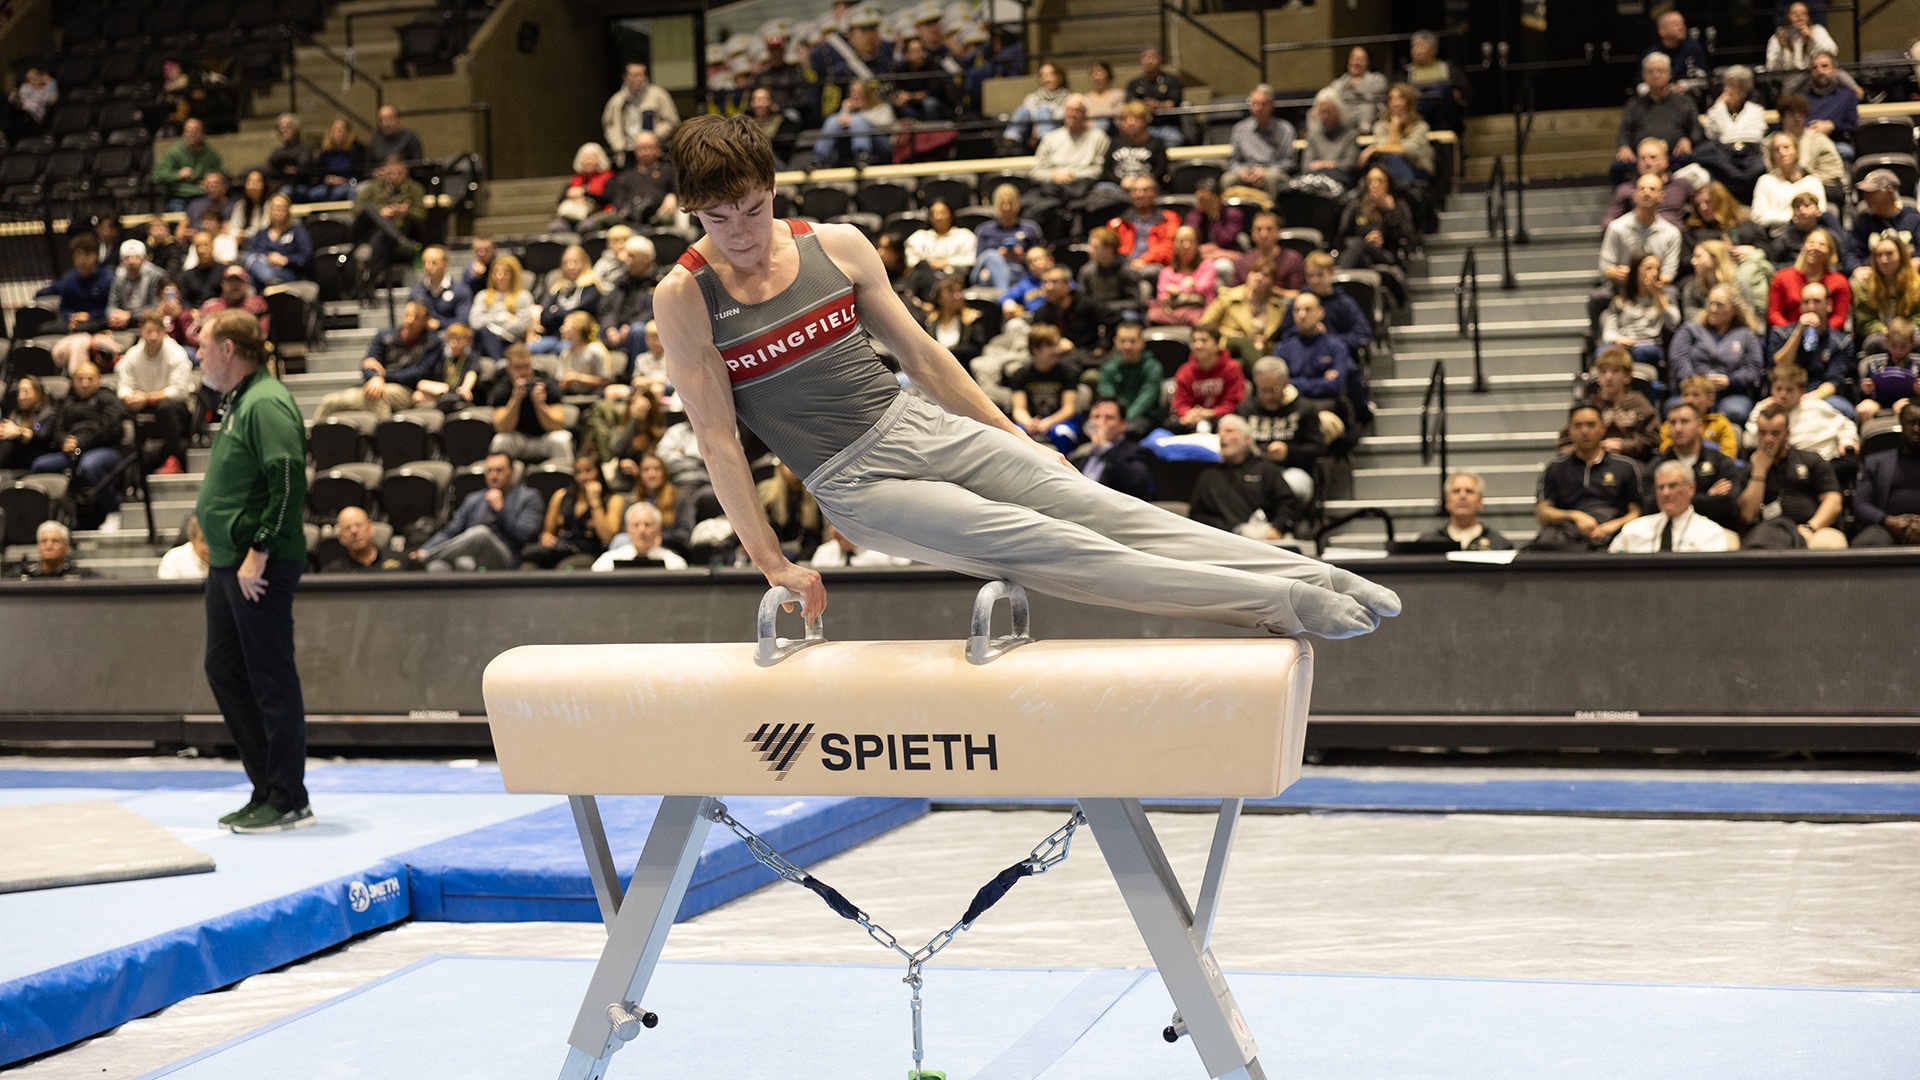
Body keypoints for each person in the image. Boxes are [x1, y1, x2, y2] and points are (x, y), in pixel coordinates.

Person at [651, 113, 1397, 637]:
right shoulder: (686, 296)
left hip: (920, 425)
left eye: (751, 208)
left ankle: (1316, 576)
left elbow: (926, 358)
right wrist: (773, 563)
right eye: (719, 219)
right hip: (856, 484)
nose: (742, 234)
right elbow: (718, 441)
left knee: (1098, 507)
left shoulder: (837, 245)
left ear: (774, 185)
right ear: (692, 212)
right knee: (1047, 542)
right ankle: (1279, 603)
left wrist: (1016, 438)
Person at [192, 310, 311, 832]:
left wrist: (260, 548)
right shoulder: (239, 401)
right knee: (224, 670)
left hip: (255, 564)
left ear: (229, 349)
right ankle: (265, 787)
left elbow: (288, 480)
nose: (197, 355)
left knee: (269, 677)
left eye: (203, 346)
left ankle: (288, 797)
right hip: (226, 565)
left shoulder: (266, 402)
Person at [1528, 404, 1644, 552]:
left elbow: (1636, 512)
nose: (1584, 431)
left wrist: (1612, 526)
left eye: (1591, 425)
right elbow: (1542, 512)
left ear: (1603, 428)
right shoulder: (1555, 467)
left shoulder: (1625, 466)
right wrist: (1575, 516)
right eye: (1578, 426)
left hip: (1613, 535)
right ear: (1569, 430)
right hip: (1566, 536)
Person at [30, 360, 128, 529]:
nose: (85, 383)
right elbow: (58, 430)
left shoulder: (108, 399)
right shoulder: (68, 403)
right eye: (80, 379)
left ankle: (113, 511)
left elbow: (110, 428)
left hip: (106, 450)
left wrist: (80, 442)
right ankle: (60, 513)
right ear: (73, 381)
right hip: (72, 452)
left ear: (98, 380)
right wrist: (64, 442)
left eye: (89, 379)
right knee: (39, 465)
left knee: (89, 466)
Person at [1737, 400, 1846, 549]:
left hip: (1809, 528)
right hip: (1765, 530)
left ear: (1787, 433)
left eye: (1775, 433)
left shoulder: (1811, 460)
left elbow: (1833, 501)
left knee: (1830, 543)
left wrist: (1811, 527)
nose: (1768, 439)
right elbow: (1748, 515)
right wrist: (1759, 472)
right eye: (1763, 433)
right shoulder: (1748, 468)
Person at [314, 301, 443, 421]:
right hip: (374, 385)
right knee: (329, 401)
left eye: (416, 317)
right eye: (407, 315)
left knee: (378, 397)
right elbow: (368, 363)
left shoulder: (432, 342)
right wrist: (376, 377)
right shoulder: (385, 336)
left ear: (425, 322)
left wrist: (383, 375)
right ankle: (311, 441)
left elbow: (420, 372)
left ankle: (384, 443)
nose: (410, 321)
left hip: (405, 390)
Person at [1188, 415, 1299, 540]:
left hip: (1264, 541)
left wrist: (1278, 528)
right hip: (1223, 542)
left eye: (1229, 431)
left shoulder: (1265, 469)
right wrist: (1230, 531)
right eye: (1219, 432)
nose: (1222, 436)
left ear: (1247, 439)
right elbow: (1197, 516)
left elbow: (1287, 503)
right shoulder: (1208, 476)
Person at [1669, 284, 1766, 424]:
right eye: (1710, 303)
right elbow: (1678, 360)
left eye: (1719, 305)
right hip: (1691, 391)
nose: (1713, 309)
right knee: (1678, 409)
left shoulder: (1746, 334)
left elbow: (1753, 369)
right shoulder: (1690, 329)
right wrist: (1696, 384)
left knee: (1735, 411)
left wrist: (1731, 380)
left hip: (1730, 393)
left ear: (1734, 309)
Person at [1237, 357, 1325, 503]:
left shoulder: (1305, 409)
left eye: (1274, 390)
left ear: (1286, 382)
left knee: (1285, 486)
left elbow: (1318, 448)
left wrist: (1289, 451)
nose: (1268, 396)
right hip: (1253, 471)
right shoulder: (1245, 409)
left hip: (1293, 470)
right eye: (1263, 390)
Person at [117, 312, 195, 473]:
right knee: (117, 408)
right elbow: (123, 386)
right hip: (142, 404)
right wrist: (129, 397)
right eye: (149, 332)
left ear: (164, 332)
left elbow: (179, 391)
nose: (153, 336)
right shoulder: (132, 355)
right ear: (141, 332)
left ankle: (173, 460)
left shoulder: (176, 353)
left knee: (166, 407)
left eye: (157, 331)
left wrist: (147, 397)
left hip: (176, 408)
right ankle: (129, 467)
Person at [1652, 398, 1746, 531]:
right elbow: (1650, 505)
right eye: (1672, 423)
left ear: (1699, 426)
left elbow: (1728, 505)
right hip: (1666, 529)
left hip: (1716, 529)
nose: (1678, 428)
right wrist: (1707, 498)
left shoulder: (1721, 461)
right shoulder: (1657, 465)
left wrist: (1676, 500)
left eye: (1684, 421)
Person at [1767, 277, 1855, 418]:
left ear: (1829, 305)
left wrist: (1811, 397)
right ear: (1800, 306)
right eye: (1806, 302)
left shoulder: (1842, 342)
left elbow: (1833, 381)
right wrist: (1798, 332)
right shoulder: (1780, 333)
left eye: (1817, 301)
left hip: (1819, 395)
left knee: (1845, 409)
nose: (1811, 307)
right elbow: (1780, 366)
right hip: (1784, 393)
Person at [522, 451, 624, 570]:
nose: (583, 477)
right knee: (528, 567)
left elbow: (607, 538)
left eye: (588, 471)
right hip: (560, 550)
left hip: (589, 554)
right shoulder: (560, 496)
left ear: (599, 472)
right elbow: (547, 531)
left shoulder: (613, 500)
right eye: (578, 472)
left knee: (565, 569)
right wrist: (547, 537)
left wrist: (595, 502)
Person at [1559, 347, 1660, 463]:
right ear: (1598, 378)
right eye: (1603, 372)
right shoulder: (1590, 407)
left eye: (1615, 371)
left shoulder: (1639, 404)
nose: (1608, 377)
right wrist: (1594, 448)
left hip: (1630, 461)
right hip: (1592, 463)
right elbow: (1565, 442)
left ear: (1627, 377)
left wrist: (1624, 445)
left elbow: (1654, 439)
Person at [1744, 362, 1859, 464]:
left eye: (1789, 390)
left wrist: (1846, 441)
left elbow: (1846, 425)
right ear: (1771, 390)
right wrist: (1759, 408)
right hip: (1786, 467)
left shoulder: (1816, 406)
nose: (1783, 395)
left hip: (1825, 462)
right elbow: (1749, 441)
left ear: (1801, 392)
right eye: (1778, 389)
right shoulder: (1764, 411)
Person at [1612, 55, 1698, 186]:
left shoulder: (1685, 102)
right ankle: (1623, 202)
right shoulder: (1633, 104)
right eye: (1650, 71)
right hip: (1642, 158)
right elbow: (1624, 131)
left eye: (1660, 70)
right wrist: (1624, 146)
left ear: (1669, 74)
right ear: (1643, 76)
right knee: (1617, 167)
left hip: (1674, 156)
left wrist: (1688, 140)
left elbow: (1696, 129)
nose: (1655, 75)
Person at [1609, 460, 1731, 552]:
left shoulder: (1709, 532)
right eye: (1660, 487)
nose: (1665, 493)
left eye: (1673, 486)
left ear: (1691, 488)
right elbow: (1610, 567)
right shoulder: (1633, 529)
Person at [351, 155, 428, 297]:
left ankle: (366, 291)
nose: (394, 177)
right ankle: (399, 240)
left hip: (393, 235)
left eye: (399, 173)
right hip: (368, 231)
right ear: (385, 172)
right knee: (369, 209)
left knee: (381, 238)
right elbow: (356, 209)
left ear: (406, 172)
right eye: (391, 173)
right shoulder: (374, 187)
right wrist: (381, 213)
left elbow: (422, 215)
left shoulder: (415, 189)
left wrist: (406, 212)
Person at [1274, 292, 1358, 421]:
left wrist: (1293, 383)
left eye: (1308, 310)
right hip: (1291, 409)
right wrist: (1321, 382)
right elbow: (1277, 386)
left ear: (1320, 312)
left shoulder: (1336, 346)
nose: (1302, 315)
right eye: (1297, 310)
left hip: (1326, 407)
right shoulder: (1282, 348)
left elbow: (1335, 386)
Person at [1280, 251, 1374, 359]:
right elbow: (1284, 336)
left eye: (1320, 275)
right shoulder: (1299, 303)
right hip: (1302, 360)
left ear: (1331, 273)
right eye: (1310, 275)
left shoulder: (1343, 303)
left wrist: (1330, 338)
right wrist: (1306, 331)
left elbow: (1363, 335)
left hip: (1336, 359)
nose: (1315, 280)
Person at [1851, 401, 1920, 547]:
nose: (1916, 429)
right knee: (1866, 544)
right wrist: (1888, 520)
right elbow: (1861, 504)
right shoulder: (1876, 462)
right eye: (1910, 422)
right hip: (1886, 526)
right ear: (1901, 423)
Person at [488, 345, 571, 463]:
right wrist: (515, 400)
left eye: (526, 366)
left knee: (561, 439)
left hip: (544, 437)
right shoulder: (502, 389)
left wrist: (539, 403)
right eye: (517, 368)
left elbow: (556, 425)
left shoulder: (548, 386)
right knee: (500, 440)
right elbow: (502, 428)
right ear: (508, 368)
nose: (523, 372)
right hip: (518, 438)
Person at [1598, 252, 1680, 369]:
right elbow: (1609, 329)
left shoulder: (1666, 298)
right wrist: (1617, 340)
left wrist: (1656, 294)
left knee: (1639, 353)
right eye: (1648, 268)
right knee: (1603, 353)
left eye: (1657, 268)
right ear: (1636, 271)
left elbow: (1673, 323)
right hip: (1623, 343)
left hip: (1648, 344)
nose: (1654, 272)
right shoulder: (1620, 300)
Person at [1697, 67, 1766, 202]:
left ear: (1744, 90)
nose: (1727, 91)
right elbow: (1710, 133)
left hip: (1748, 157)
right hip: (1723, 157)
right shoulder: (1718, 110)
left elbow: (1754, 136)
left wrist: (1727, 130)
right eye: (1726, 85)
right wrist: (1719, 107)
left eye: (1733, 86)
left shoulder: (1756, 110)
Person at [1069, 397, 1154, 500]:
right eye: (1096, 417)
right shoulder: (1083, 455)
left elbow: (1136, 485)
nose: (1100, 423)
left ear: (1122, 425)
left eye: (1108, 418)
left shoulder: (1138, 452)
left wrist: (1104, 446)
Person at [1007, 324, 1080, 444]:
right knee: (1015, 434)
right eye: (1050, 346)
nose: (1057, 350)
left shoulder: (1068, 372)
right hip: (1031, 421)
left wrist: (1048, 422)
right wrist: (1029, 423)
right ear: (1036, 349)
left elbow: (1068, 409)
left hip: (1059, 421)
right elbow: (1019, 409)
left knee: (1062, 433)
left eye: (1057, 344)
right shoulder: (1020, 374)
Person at [1851, 232, 1920, 356]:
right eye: (1879, 255)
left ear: (1901, 256)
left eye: (1889, 254)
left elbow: (1918, 316)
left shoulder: (1916, 284)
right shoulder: (1865, 286)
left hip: (1911, 333)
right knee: (1872, 343)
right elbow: (1866, 321)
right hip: (1882, 335)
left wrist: (1904, 332)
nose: (1884, 260)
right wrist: (1886, 332)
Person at [1167, 324, 1245, 433]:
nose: (1198, 345)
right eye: (1194, 341)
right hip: (1192, 420)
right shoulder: (1184, 371)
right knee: (1169, 426)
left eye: (1204, 341)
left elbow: (1233, 403)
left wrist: (1211, 413)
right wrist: (1189, 414)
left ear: (1217, 344)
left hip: (1220, 418)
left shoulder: (1231, 368)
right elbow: (1180, 403)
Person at [1680, 233, 1771, 325]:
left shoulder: (1739, 287)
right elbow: (1689, 317)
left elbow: (1749, 317)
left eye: (1698, 256)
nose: (1693, 261)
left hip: (1734, 333)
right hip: (1703, 333)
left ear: (1715, 258)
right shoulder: (1692, 287)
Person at [1602, 139, 1694, 229]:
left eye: (1653, 157)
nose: (1647, 162)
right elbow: (1608, 221)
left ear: (1665, 161)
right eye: (1642, 158)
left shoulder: (1682, 185)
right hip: (1638, 239)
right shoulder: (1625, 189)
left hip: (1675, 239)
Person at [1202, 261, 1286, 357]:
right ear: (1248, 275)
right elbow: (1204, 326)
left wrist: (1264, 344)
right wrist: (1232, 334)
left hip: (1261, 353)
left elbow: (1279, 341)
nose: (1258, 278)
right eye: (1255, 272)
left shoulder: (1278, 308)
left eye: (1265, 275)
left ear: (1272, 282)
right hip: (1227, 351)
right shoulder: (1228, 298)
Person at [529, 245, 603, 354]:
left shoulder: (592, 288)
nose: (570, 267)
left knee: (564, 350)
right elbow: (544, 316)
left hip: (579, 339)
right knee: (528, 349)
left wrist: (556, 311)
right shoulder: (558, 289)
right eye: (566, 263)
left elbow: (581, 315)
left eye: (574, 262)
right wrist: (563, 314)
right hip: (554, 336)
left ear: (585, 263)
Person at [1096, 322, 1165, 438]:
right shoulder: (1108, 367)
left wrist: (1122, 420)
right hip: (1114, 417)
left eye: (1132, 341)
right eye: (1123, 341)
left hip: (1143, 417)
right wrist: (1115, 419)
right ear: (1116, 342)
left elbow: (1146, 399)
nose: (1127, 346)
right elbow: (1108, 397)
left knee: (1131, 430)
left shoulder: (1153, 367)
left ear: (1142, 343)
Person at [1227, 84, 1296, 198]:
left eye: (1262, 104)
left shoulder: (1285, 129)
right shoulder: (1239, 129)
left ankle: (1271, 213)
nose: (1257, 108)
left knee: (1271, 178)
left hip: (1272, 172)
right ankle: (1236, 215)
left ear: (1271, 105)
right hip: (1247, 171)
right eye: (1254, 104)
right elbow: (1233, 160)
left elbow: (1290, 162)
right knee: (1228, 179)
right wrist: (1242, 172)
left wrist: (1264, 171)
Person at [1845, 171, 1920, 275]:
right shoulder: (1864, 222)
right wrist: (1856, 269)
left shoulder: (1914, 220)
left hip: (1910, 277)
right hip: (1875, 279)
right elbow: (1851, 253)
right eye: (1865, 193)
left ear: (1890, 191)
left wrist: (1917, 262)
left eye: (1871, 193)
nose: (1866, 198)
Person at [1416, 471, 1512, 550]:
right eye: (1456, 491)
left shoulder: (1499, 544)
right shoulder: (1428, 543)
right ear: (1447, 501)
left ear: (1480, 501)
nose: (1462, 496)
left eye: (1469, 491)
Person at [903, 201, 977, 303]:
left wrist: (947, 262)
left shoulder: (964, 235)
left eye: (942, 213)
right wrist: (930, 264)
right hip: (925, 277)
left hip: (953, 278)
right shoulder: (919, 236)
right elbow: (911, 259)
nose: (938, 217)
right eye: (934, 213)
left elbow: (971, 259)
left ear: (950, 215)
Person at [1360, 83, 1434, 185]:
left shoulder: (1420, 126)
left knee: (1395, 158)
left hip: (1417, 171)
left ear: (1409, 102)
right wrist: (1394, 129)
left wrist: (1374, 148)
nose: (1395, 104)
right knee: (1389, 160)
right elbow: (1386, 150)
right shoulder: (1380, 126)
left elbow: (1409, 150)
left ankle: (1403, 193)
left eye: (1400, 98)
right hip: (1389, 172)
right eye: (1391, 99)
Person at [1109, 176, 1180, 282]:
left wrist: (1143, 260)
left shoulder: (1169, 218)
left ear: (1155, 193)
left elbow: (1167, 247)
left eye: (1145, 190)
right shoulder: (1119, 222)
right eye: (1135, 191)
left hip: (1154, 265)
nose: (1139, 194)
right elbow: (1111, 246)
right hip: (1126, 264)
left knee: (1150, 272)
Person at [1751, 132, 1826, 230]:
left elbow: (1821, 211)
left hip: (1809, 233)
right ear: (1772, 156)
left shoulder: (1813, 182)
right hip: (1777, 235)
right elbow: (1757, 216)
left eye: (1786, 147)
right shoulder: (1765, 181)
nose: (1782, 152)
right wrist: (1792, 218)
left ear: (1796, 151)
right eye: (1777, 150)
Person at [974, 184, 1044, 289]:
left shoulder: (1030, 228)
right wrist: (998, 256)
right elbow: (979, 259)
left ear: (1017, 204)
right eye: (1002, 204)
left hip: (1019, 271)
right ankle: (1005, 295)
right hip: (986, 272)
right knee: (991, 256)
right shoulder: (984, 230)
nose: (1006, 208)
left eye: (1010, 204)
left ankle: (1003, 294)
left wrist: (1023, 258)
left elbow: (1040, 257)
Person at [603, 62, 680, 158]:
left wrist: (651, 138)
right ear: (626, 76)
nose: (638, 78)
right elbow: (609, 125)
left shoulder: (659, 95)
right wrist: (617, 144)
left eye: (641, 75)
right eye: (634, 75)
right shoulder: (617, 100)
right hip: (626, 152)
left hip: (652, 151)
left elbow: (671, 121)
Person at [469, 254, 536, 361]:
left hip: (509, 342)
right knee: (483, 332)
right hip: (483, 340)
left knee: (486, 332)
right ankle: (500, 363)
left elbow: (521, 326)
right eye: (496, 272)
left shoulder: (523, 297)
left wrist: (490, 321)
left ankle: (500, 363)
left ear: (514, 275)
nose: (500, 276)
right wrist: (503, 317)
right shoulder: (483, 296)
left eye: (506, 273)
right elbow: (475, 322)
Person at [1766, 2, 1838, 95]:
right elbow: (1772, 70)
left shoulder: (1817, 30)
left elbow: (1833, 51)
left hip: (1815, 81)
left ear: (1808, 17)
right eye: (1794, 14)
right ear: (1787, 17)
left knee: (1839, 72)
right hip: (1791, 86)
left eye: (1803, 13)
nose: (1799, 17)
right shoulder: (1777, 38)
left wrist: (1812, 38)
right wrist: (1781, 47)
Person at [1148, 226, 1215, 327]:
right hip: (1173, 311)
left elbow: (1204, 288)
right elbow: (1162, 297)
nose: (1186, 245)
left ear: (1197, 244)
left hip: (1197, 309)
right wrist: (1189, 286)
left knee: (1203, 318)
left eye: (1190, 241)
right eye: (1181, 241)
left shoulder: (1207, 266)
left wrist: (1178, 289)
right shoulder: (1166, 272)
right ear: (1174, 244)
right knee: (1153, 315)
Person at [922, 272, 992, 368]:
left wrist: (949, 352)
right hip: (933, 367)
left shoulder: (972, 317)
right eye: (951, 291)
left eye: (960, 291)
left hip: (961, 367)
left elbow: (976, 348)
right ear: (938, 297)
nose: (957, 296)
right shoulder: (929, 320)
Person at [592, 501, 689, 570]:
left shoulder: (675, 564)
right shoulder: (607, 561)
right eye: (636, 525)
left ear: (658, 530)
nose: (642, 530)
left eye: (648, 525)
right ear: (627, 530)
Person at [154, 119, 224, 212]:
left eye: (195, 131)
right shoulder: (174, 152)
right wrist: (178, 174)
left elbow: (220, 174)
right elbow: (157, 176)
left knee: (212, 210)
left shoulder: (211, 155)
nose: (192, 134)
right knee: (178, 209)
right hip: (179, 196)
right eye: (188, 131)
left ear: (203, 134)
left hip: (202, 195)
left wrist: (209, 182)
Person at [242, 195, 311, 289]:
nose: (279, 212)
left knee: (253, 275)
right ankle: (268, 278)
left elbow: (306, 255)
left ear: (288, 211)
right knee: (247, 257)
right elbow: (252, 253)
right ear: (270, 210)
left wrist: (285, 259)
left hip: (287, 273)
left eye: (282, 209)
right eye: (276, 209)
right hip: (263, 267)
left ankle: (266, 281)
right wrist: (268, 257)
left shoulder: (297, 231)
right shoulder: (261, 233)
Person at [1858, 318, 1918, 427]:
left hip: (1908, 402)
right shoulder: (1873, 365)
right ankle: (1869, 442)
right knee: (1864, 409)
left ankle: (1900, 442)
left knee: (1900, 407)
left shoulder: (1918, 366)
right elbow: (1861, 393)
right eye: (1893, 346)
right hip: (1879, 401)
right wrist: (1866, 389)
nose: (1898, 351)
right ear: (1886, 340)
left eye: (1903, 347)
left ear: (1912, 341)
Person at [1801, 51, 1858, 157]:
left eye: (1825, 66)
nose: (1820, 71)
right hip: (1806, 142)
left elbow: (1852, 125)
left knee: (1845, 151)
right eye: (1815, 68)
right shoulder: (1801, 97)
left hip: (1835, 142)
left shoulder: (1847, 95)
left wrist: (1832, 125)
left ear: (1834, 70)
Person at [551, 143, 617, 232]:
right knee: (556, 227)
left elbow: (608, 198)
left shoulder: (608, 177)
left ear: (599, 160)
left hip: (597, 214)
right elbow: (560, 200)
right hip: (574, 213)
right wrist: (572, 195)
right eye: (585, 158)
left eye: (592, 158)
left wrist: (584, 193)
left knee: (585, 227)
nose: (588, 161)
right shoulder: (575, 179)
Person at [1301, 91, 1360, 189]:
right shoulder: (1313, 136)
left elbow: (1350, 164)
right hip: (1315, 184)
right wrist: (1328, 165)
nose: (1324, 116)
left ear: (1337, 112)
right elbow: (1305, 165)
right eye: (1321, 112)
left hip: (1340, 183)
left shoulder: (1349, 135)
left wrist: (1329, 164)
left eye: (1328, 112)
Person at [1126, 48, 1184, 146]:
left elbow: (1172, 103)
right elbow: (1131, 106)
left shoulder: (1173, 81)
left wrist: (1157, 104)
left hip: (1167, 127)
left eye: (1152, 57)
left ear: (1161, 60)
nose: (1149, 61)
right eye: (1145, 58)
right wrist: (1144, 106)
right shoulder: (1134, 84)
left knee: (1173, 140)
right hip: (1143, 129)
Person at [407, 245, 472, 331]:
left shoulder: (461, 290)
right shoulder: (416, 292)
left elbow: (463, 321)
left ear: (446, 263)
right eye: (425, 262)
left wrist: (440, 324)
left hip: (451, 338)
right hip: (424, 339)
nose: (428, 266)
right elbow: (410, 318)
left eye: (433, 262)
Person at [1645, 10, 1712, 92]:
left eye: (1682, 24)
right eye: (1675, 24)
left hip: (1689, 97)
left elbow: (1706, 80)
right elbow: (1641, 86)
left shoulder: (1694, 49)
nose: (1681, 28)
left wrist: (1687, 85)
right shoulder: (1652, 54)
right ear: (1661, 31)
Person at [0, 375, 56, 472]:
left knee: (10, 442)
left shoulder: (48, 414)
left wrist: (18, 433)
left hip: (36, 455)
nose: (21, 397)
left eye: (26, 392)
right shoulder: (16, 413)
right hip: (14, 457)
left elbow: (41, 436)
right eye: (20, 392)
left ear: (38, 392)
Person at [322, 506, 405, 572]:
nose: (354, 531)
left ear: (370, 528)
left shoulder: (400, 561)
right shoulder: (333, 573)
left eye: (358, 525)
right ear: (341, 537)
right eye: (347, 528)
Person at [306, 118, 369, 202]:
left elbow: (361, 174)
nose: (337, 134)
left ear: (348, 133)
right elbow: (319, 173)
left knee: (338, 193)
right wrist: (327, 179)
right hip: (328, 185)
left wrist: (345, 181)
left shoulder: (357, 150)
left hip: (348, 183)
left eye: (340, 130)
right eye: (334, 130)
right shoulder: (325, 152)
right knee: (313, 194)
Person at [1325, 46, 1387, 131]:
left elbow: (1377, 90)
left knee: (1367, 101)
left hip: (1369, 122)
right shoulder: (1338, 83)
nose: (1356, 62)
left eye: (1361, 59)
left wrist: (1352, 87)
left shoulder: (1377, 79)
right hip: (1344, 123)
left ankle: (1364, 131)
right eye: (1353, 58)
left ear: (1368, 62)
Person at [18, 521, 93, 579]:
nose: (49, 546)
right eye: (44, 541)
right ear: (38, 546)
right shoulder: (22, 575)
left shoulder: (82, 576)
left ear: (66, 547)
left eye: (55, 541)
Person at [266, 114, 314, 194]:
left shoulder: (304, 148)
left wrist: (281, 165)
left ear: (296, 129)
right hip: (281, 183)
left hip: (301, 185)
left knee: (284, 191)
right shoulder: (277, 151)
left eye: (286, 127)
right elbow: (269, 169)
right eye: (280, 127)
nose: (282, 129)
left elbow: (302, 169)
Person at [159, 515, 211, 580]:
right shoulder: (173, 560)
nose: (209, 546)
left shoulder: (226, 556)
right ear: (192, 540)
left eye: (213, 540)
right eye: (203, 541)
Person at [229, 170, 272, 239]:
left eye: (257, 182)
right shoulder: (240, 205)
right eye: (249, 181)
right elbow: (233, 227)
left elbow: (264, 229)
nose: (252, 186)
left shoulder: (270, 205)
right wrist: (238, 233)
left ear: (264, 185)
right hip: (242, 242)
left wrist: (245, 234)